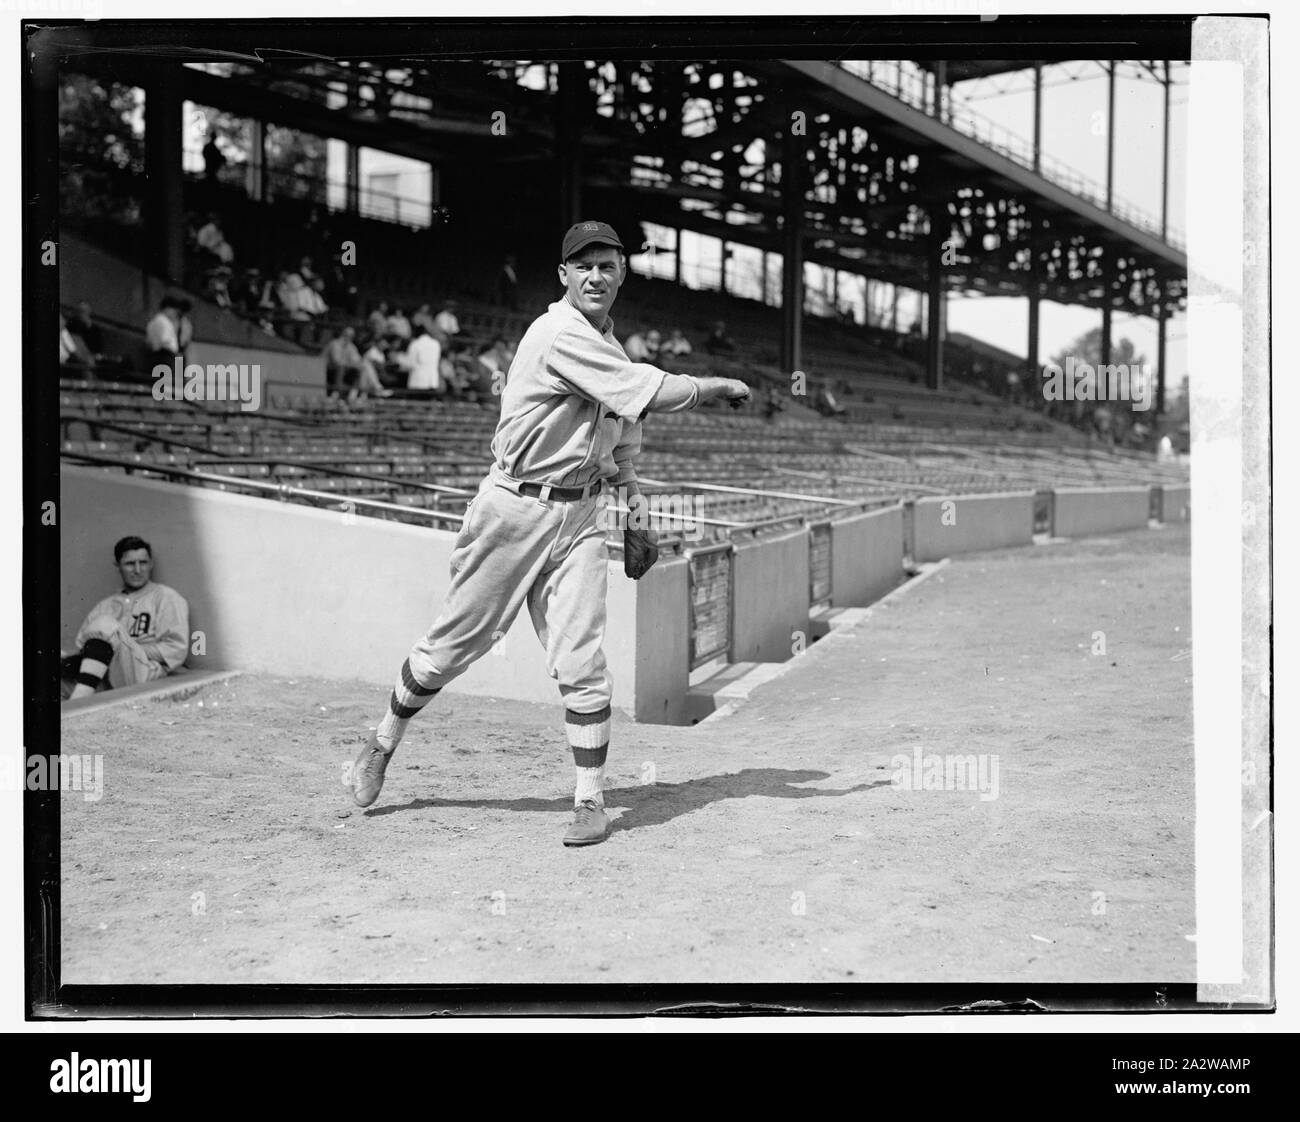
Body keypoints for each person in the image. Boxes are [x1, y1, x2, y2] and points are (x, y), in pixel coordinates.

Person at [347, 220, 751, 846]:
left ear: (622, 275)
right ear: (563, 275)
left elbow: (625, 446)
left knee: (581, 657)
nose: (596, 276)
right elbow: (652, 393)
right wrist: (714, 386)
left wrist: (636, 515)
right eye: (583, 265)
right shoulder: (557, 331)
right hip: (514, 508)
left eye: (608, 266)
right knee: (452, 647)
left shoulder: (609, 349)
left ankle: (589, 799)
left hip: (582, 513)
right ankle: (381, 741)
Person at [61, 536, 189, 701]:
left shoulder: (166, 597)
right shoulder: (104, 605)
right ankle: (79, 698)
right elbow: (83, 649)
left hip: (141, 671)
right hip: (103, 677)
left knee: (104, 624)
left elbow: (176, 648)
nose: (138, 570)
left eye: (143, 562)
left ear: (151, 564)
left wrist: (121, 649)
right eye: (130, 564)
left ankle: (78, 701)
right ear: (118, 566)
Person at [396, 322, 442, 392]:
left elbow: (410, 363)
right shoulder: (436, 344)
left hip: (418, 381)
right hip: (432, 381)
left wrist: (399, 358)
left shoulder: (415, 344)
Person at [323, 325, 363, 401]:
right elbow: (336, 361)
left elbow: (357, 360)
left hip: (344, 368)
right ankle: (336, 393)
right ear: (342, 334)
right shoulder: (335, 343)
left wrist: (354, 364)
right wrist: (350, 363)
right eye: (347, 334)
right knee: (341, 367)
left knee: (359, 369)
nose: (349, 337)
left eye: (351, 336)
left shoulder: (351, 346)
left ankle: (353, 395)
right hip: (328, 368)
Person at [145, 296, 182, 372]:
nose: (175, 314)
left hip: (154, 356)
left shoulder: (152, 322)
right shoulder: (164, 321)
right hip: (165, 357)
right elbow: (165, 342)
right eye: (174, 311)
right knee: (165, 382)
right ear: (167, 308)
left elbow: (148, 342)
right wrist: (176, 355)